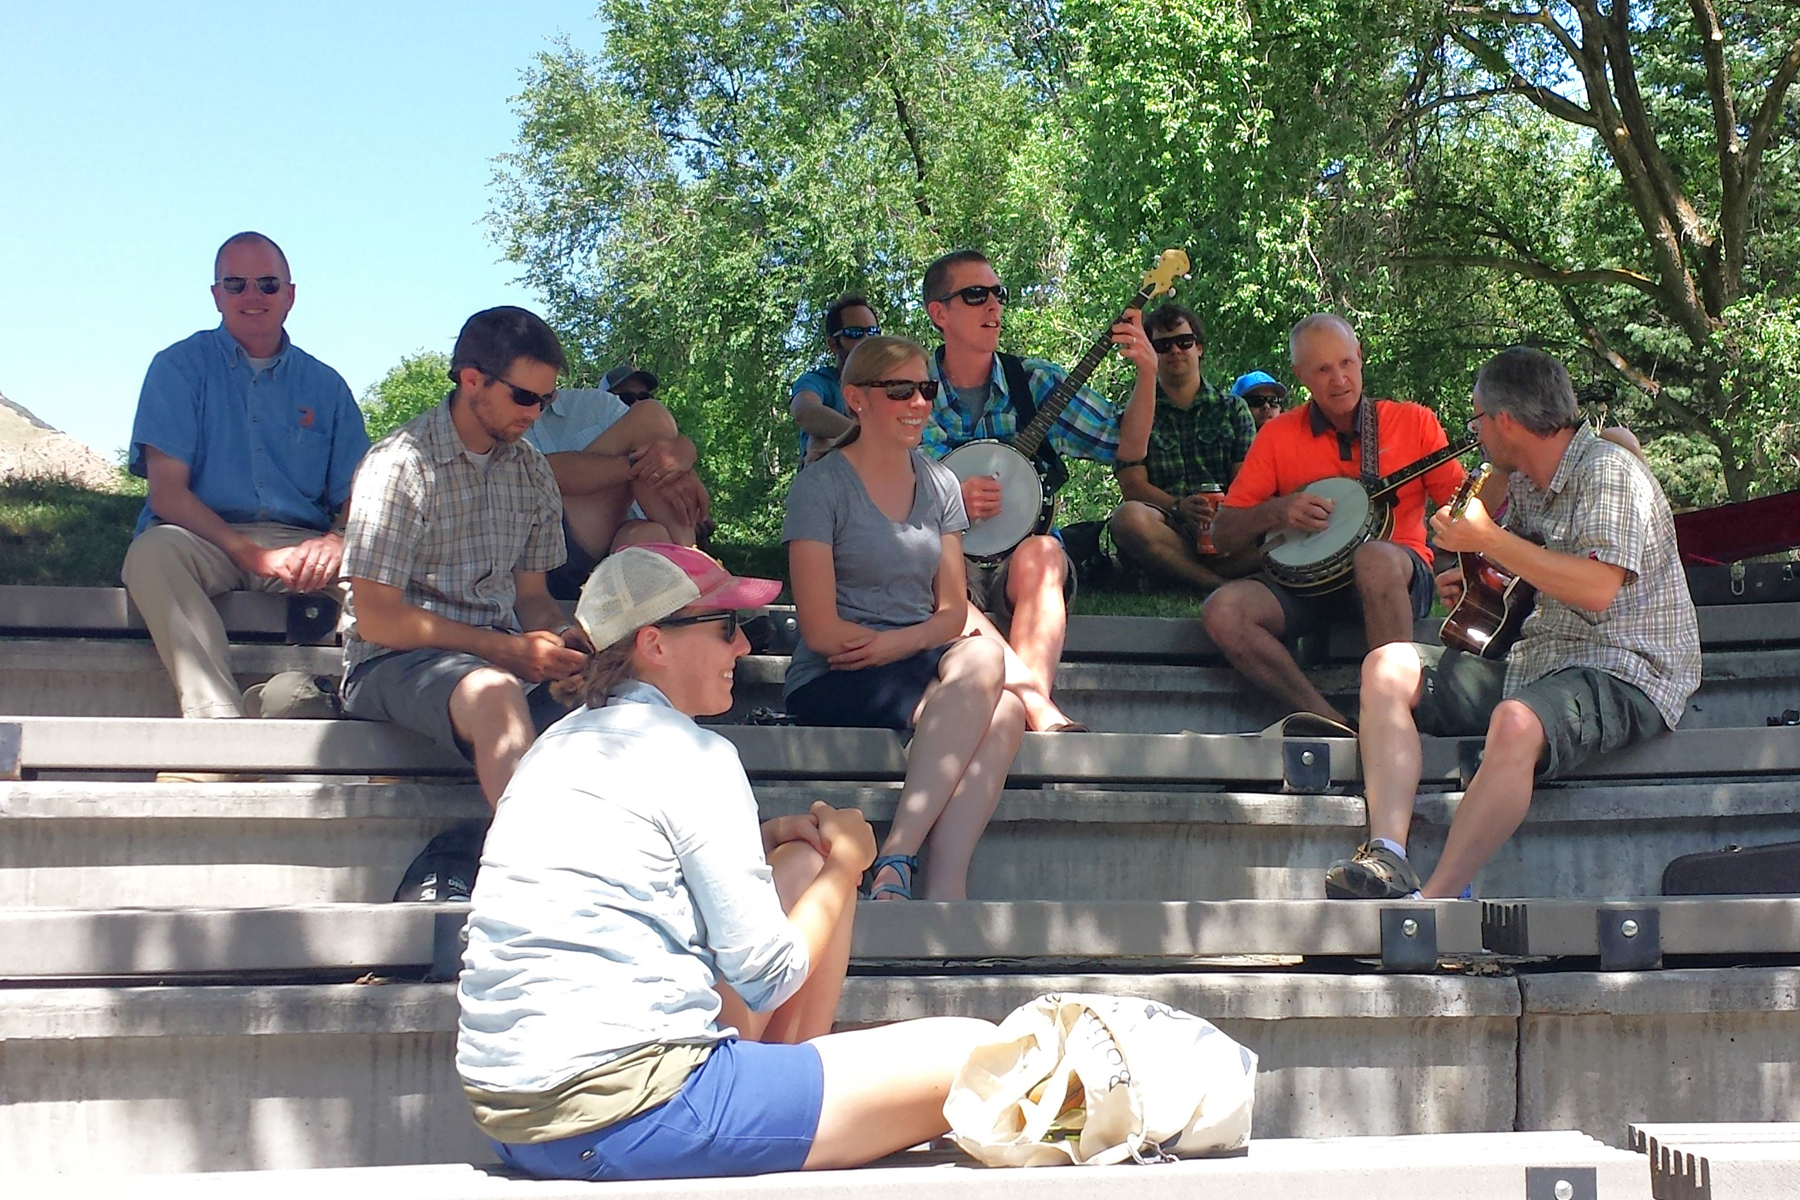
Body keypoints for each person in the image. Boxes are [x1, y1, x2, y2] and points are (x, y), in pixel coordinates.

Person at [456, 542, 998, 1182]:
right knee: (977, 1053)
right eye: (726, 628)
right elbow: (768, 977)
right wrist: (846, 864)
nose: (744, 647)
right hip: (636, 1110)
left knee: (795, 862)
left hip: (514, 1113)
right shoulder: (693, 754)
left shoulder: (555, 747)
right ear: (654, 645)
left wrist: (768, 839)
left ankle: (781, 1113)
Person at [1328, 348, 1700, 899]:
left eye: (1477, 419)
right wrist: (1478, 574)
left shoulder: (1610, 472)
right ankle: (1389, 855)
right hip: (1540, 659)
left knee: (1517, 723)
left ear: (1504, 420)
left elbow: (1597, 590)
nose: (1474, 433)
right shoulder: (1526, 479)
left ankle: (1435, 903)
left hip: (1626, 667)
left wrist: (1487, 541)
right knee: (1386, 667)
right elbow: (1520, 560)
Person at [784, 335, 1026, 901]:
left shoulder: (939, 483)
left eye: (926, 388)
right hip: (837, 673)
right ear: (857, 399)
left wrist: (901, 645)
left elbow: (952, 611)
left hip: (909, 658)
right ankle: (923, 875)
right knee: (1002, 711)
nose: (920, 403)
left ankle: (909, 862)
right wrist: (901, 647)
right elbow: (820, 631)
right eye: (901, 390)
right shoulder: (819, 487)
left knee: (1002, 689)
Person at [120, 231, 369, 742]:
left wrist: (335, 541)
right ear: (216, 295)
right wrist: (252, 555)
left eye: (267, 283)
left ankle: (347, 713)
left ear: (290, 294)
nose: (252, 295)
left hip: (302, 547)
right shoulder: (177, 368)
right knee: (151, 554)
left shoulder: (328, 386)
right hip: (203, 537)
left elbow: (360, 498)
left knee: (384, 573)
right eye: (235, 284)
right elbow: (167, 495)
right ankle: (219, 730)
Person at [340, 306, 586, 815]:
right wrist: (504, 650)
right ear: (471, 379)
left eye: (547, 399)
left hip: (496, 658)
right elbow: (377, 618)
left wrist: (564, 642)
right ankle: (529, 874)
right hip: (391, 663)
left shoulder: (533, 470)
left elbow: (534, 597)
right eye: (523, 396)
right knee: (494, 690)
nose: (535, 413)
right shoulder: (399, 465)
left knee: (622, 693)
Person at [919, 249, 1158, 732]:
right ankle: (1038, 714)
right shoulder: (908, 388)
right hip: (937, 562)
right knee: (927, 572)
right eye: (976, 295)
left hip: (1016, 564)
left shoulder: (1034, 383)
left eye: (998, 294)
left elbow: (1124, 444)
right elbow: (877, 482)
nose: (994, 306)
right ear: (939, 312)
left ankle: (1028, 711)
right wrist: (947, 498)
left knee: (1046, 553)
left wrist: (1148, 374)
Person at [1203, 313, 1465, 725]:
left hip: (1393, 578)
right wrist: (1279, 509)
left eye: (1345, 363)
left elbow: (1463, 506)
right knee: (1223, 610)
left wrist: (1497, 481)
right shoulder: (1277, 435)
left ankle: (1392, 719)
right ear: (1300, 374)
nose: (1339, 379)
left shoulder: (1412, 422)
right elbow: (1222, 534)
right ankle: (1326, 718)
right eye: (1323, 369)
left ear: (1360, 357)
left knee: (1374, 558)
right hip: (1306, 585)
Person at [523, 360, 710, 601]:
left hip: (622, 541)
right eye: (626, 397)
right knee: (650, 417)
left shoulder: (601, 406)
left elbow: (662, 447)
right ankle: (699, 572)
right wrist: (635, 466)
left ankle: (677, 611)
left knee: (650, 537)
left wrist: (682, 452)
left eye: (643, 395)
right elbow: (538, 476)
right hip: (548, 548)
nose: (634, 402)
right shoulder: (505, 421)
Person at [1108, 303, 1262, 593]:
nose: (1175, 351)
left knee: (1282, 523)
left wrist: (1224, 520)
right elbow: (1132, 487)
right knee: (1127, 519)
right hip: (1168, 525)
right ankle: (1214, 583)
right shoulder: (1135, 416)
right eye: (1163, 346)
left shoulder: (1233, 408)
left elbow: (1248, 482)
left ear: (1199, 348)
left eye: (1184, 341)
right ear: (1150, 354)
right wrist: (1178, 507)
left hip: (1226, 526)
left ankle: (1176, 571)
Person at [790, 294, 882, 461]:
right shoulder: (820, 381)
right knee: (819, 439)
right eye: (855, 333)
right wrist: (864, 437)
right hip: (828, 479)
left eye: (873, 332)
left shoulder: (888, 385)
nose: (867, 340)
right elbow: (804, 410)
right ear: (833, 344)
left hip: (881, 478)